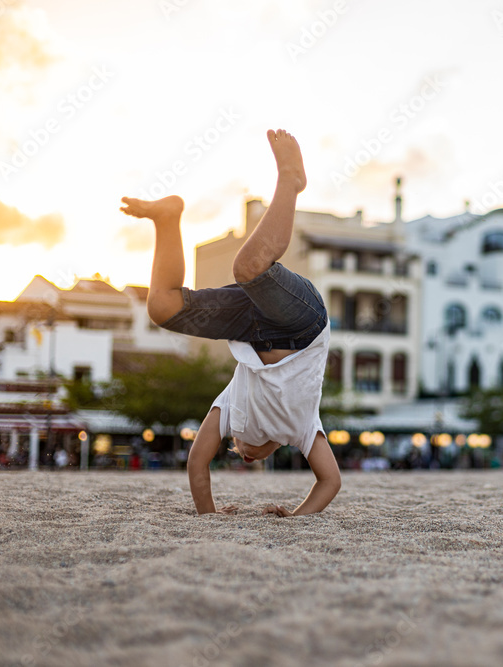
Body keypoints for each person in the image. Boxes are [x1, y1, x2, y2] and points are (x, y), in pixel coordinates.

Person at [120, 128, 341, 517]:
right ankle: (291, 181)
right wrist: (295, 516)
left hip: (248, 326)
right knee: (249, 268)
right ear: (274, 448)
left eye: (237, 451)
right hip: (301, 323)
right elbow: (330, 482)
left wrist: (209, 514)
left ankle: (167, 217)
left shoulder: (231, 411)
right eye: (251, 457)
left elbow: (197, 463)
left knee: (162, 308)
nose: (246, 454)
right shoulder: (302, 430)